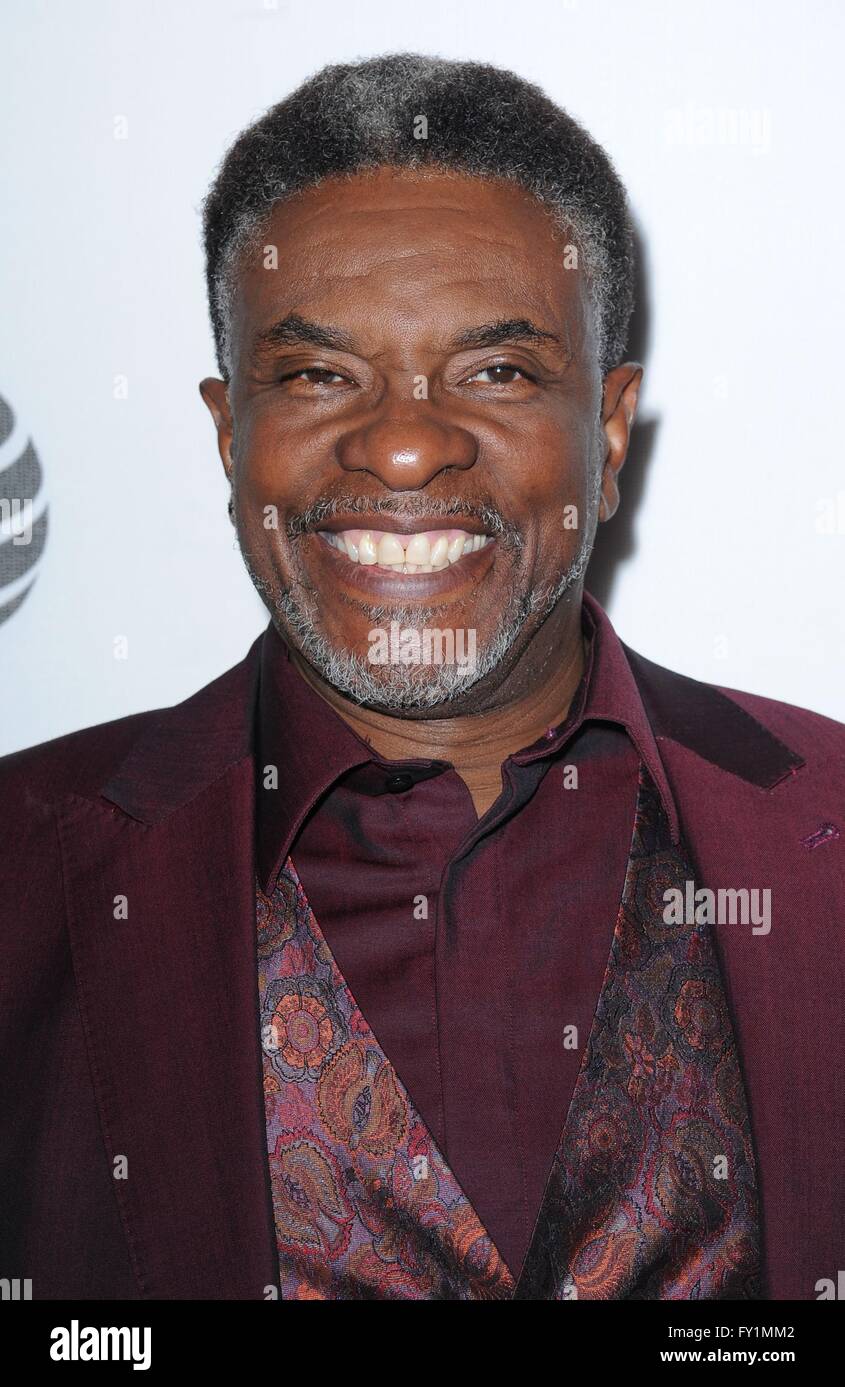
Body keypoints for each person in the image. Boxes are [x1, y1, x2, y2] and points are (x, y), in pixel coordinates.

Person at [1, 53, 842, 1301]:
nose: (401, 445)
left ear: (605, 436)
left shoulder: (822, 830)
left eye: (494, 371)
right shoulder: (24, 866)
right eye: (317, 374)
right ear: (229, 436)